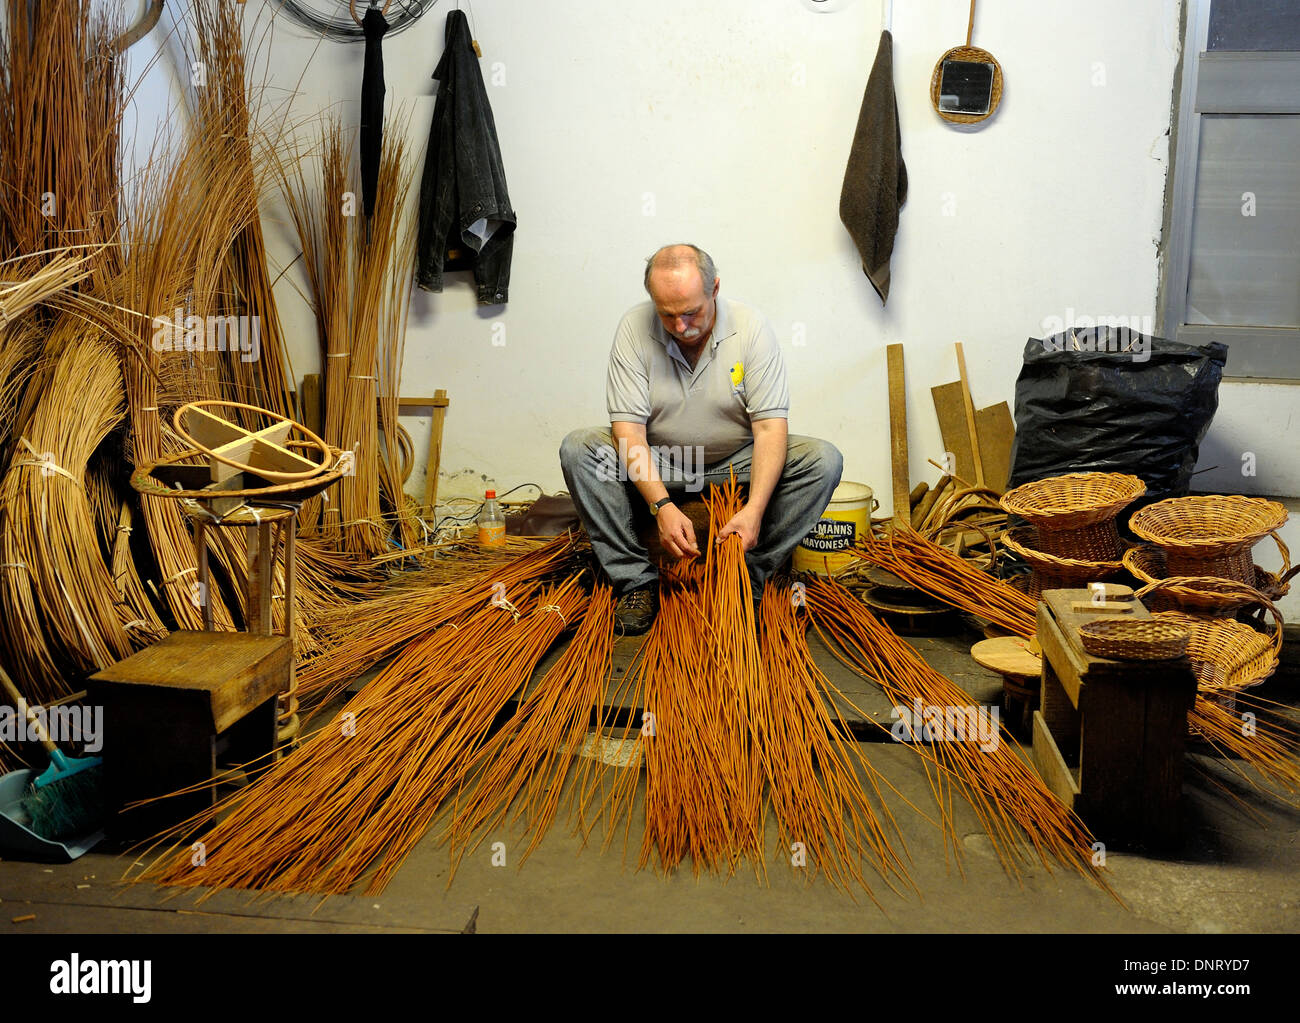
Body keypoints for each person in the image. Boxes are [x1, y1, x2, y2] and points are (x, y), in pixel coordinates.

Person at [559, 244, 843, 633]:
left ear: (715, 289)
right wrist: (661, 506)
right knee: (580, 448)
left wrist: (755, 510)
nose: (680, 327)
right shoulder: (633, 328)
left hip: (736, 462)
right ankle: (636, 581)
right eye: (667, 315)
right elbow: (629, 431)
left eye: (691, 312)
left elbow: (768, 428)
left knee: (822, 460)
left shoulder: (751, 328)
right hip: (664, 458)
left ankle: (752, 580)